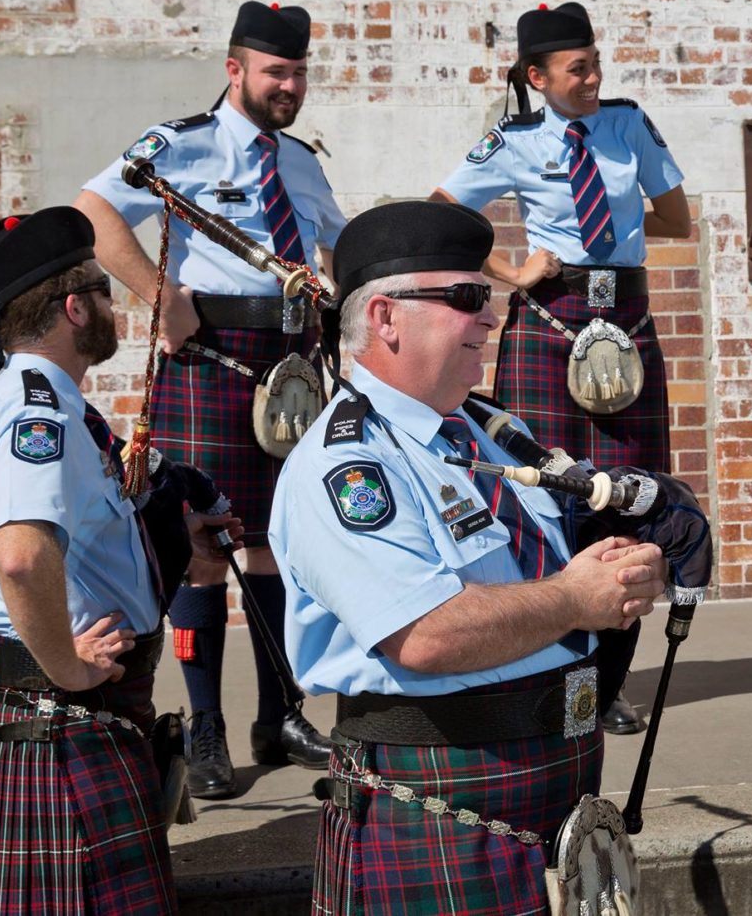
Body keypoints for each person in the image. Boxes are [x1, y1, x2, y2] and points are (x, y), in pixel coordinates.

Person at [268, 199, 704, 915]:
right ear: (384, 318)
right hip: (440, 795)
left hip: (551, 786)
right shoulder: (345, 464)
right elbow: (425, 633)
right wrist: (576, 596)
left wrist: (624, 568)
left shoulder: (487, 432)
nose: (492, 318)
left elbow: (547, 567)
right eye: (468, 298)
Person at [75, 0, 346, 797]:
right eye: (275, 72)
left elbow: (336, 245)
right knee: (202, 547)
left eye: (298, 72)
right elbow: (94, 211)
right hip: (212, 359)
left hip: (290, 365)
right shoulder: (182, 143)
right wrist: (160, 293)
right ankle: (205, 726)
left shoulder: (301, 161)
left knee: (273, 543)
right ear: (236, 69)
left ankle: (279, 712)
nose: (289, 85)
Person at [0, 207, 234, 914]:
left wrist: (177, 534)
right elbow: (20, 555)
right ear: (75, 307)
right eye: (104, 288)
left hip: (80, 716)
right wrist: (66, 663)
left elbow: (84, 534)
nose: (112, 302)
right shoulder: (37, 411)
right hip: (61, 717)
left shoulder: (53, 404)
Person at [433, 0, 691, 734]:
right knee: (548, 497)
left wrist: (624, 220)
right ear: (536, 75)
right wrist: (513, 268)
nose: (593, 77)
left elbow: (676, 217)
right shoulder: (512, 139)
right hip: (551, 321)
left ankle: (607, 684)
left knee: (636, 503)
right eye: (577, 69)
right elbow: (448, 210)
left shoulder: (628, 124)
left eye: (595, 63)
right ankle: (551, 672)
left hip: (628, 322)